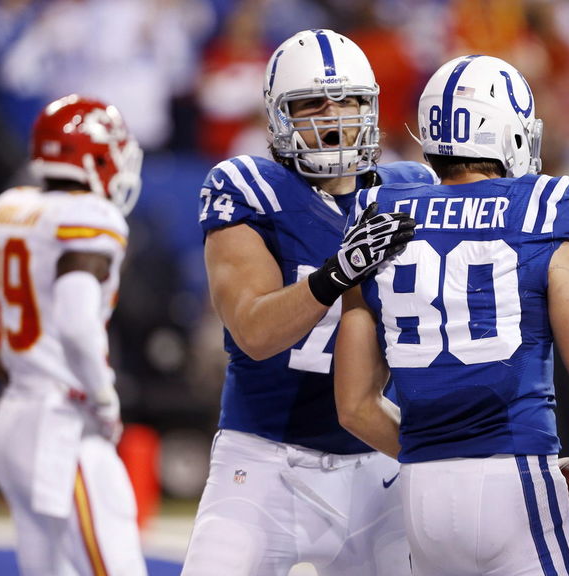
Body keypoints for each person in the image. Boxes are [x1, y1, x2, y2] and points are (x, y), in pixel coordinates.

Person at [333, 54, 569, 576]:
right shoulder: (543, 205)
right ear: (507, 131)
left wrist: (434, 450)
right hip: (515, 479)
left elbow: (353, 407)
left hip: (422, 495)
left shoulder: (379, 214)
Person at [182, 29, 435, 575]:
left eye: (347, 100)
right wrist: (338, 274)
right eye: (311, 104)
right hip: (263, 460)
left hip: (377, 465)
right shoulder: (250, 186)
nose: (332, 116)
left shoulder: (410, 188)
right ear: (278, 117)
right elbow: (253, 331)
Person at [0, 94, 147, 576]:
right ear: (95, 156)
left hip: (14, 420)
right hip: (64, 425)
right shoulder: (92, 220)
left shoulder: (12, 209)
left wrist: (21, 371)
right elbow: (77, 324)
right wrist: (103, 398)